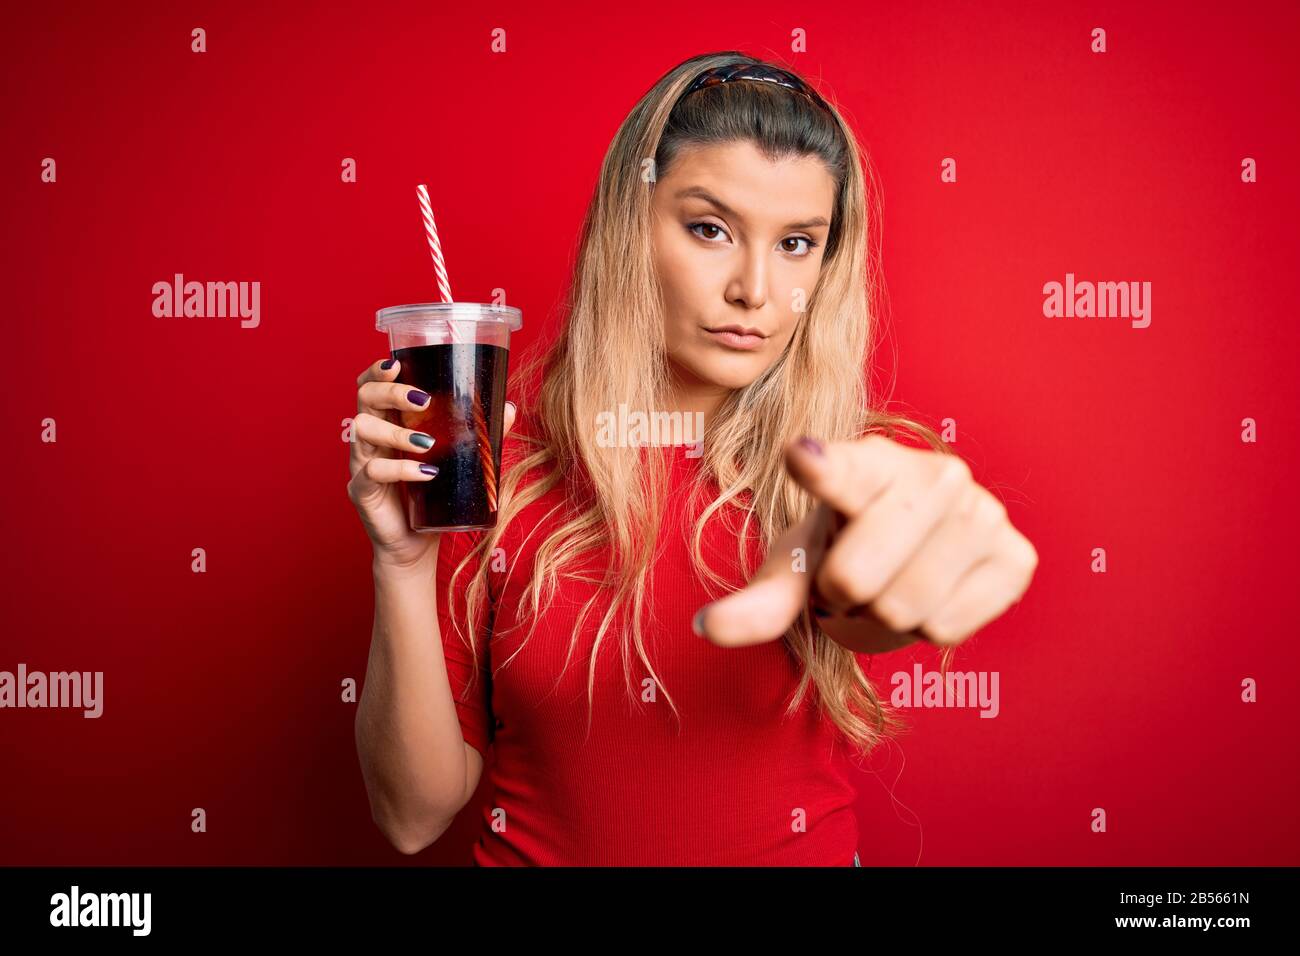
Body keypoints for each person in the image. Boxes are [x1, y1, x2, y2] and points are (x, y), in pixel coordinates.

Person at [349, 51, 1038, 866]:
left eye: (795, 243)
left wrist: (913, 554)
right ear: (630, 228)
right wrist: (399, 561)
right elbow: (412, 816)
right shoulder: (493, 463)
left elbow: (862, 588)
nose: (754, 287)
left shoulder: (845, 470)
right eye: (709, 228)